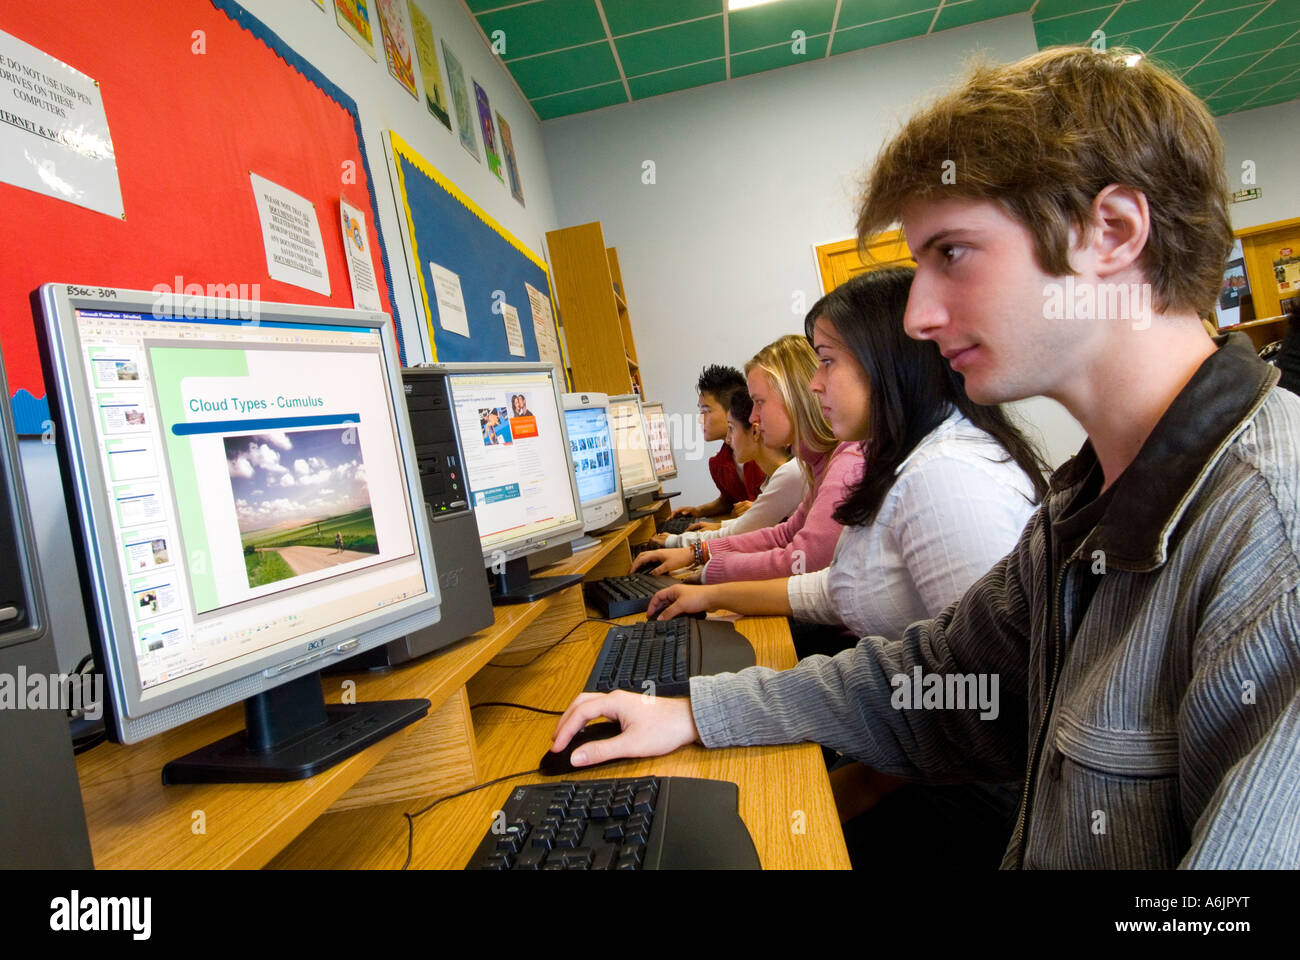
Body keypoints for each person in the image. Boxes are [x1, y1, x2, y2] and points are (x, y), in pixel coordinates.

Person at [553, 46, 1300, 869]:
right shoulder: (1086, 506)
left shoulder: (1273, 538)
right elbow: (934, 682)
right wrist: (696, 712)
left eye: (951, 254)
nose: (916, 316)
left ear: (1111, 233)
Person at [648, 267, 1047, 648]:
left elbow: (983, 691)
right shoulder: (893, 463)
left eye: (826, 361)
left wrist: (707, 573)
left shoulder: (942, 479)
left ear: (886, 363)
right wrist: (710, 592)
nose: (815, 385)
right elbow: (837, 586)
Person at [634, 335, 864, 584]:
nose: (753, 416)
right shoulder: (817, 465)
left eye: (759, 402)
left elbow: (802, 558)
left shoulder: (841, 465)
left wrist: (710, 573)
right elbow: (784, 534)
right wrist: (697, 553)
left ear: (793, 398)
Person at [651, 384, 803, 548]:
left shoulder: (789, 474)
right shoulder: (778, 472)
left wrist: (675, 541)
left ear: (755, 431)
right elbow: (751, 524)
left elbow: (743, 531)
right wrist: (717, 524)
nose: (729, 439)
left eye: (731, 428)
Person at [670, 365, 765, 519]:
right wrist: (699, 511)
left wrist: (759, 508)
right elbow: (730, 500)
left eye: (706, 411)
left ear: (732, 410)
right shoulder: (719, 462)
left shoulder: (764, 452)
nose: (701, 419)